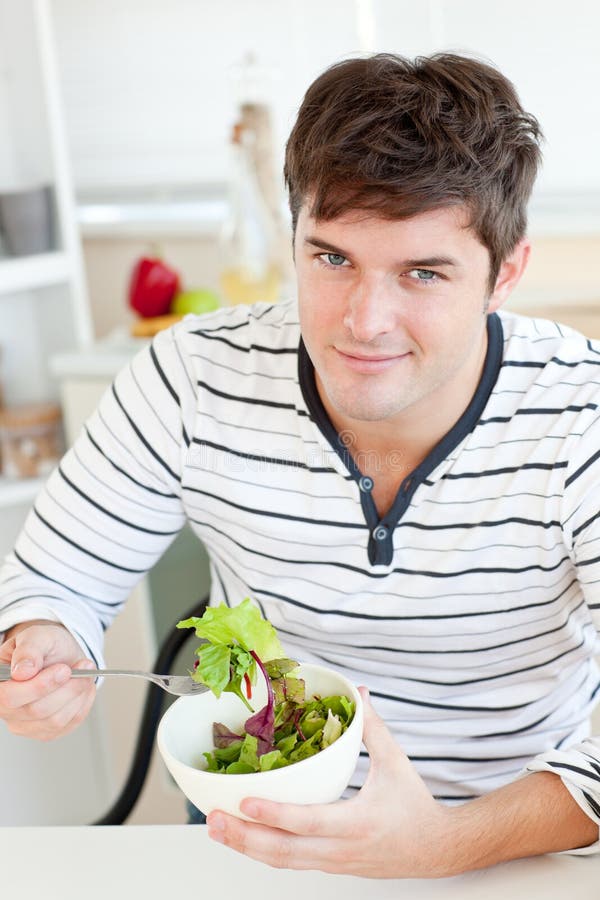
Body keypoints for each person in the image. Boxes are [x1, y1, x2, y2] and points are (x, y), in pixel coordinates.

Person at [1, 51, 600, 877]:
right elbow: (54, 578)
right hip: (257, 826)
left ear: (505, 275)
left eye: (423, 272)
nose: (364, 321)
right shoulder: (193, 376)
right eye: (331, 258)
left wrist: (441, 846)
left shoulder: (582, 417)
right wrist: (41, 644)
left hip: (510, 847)